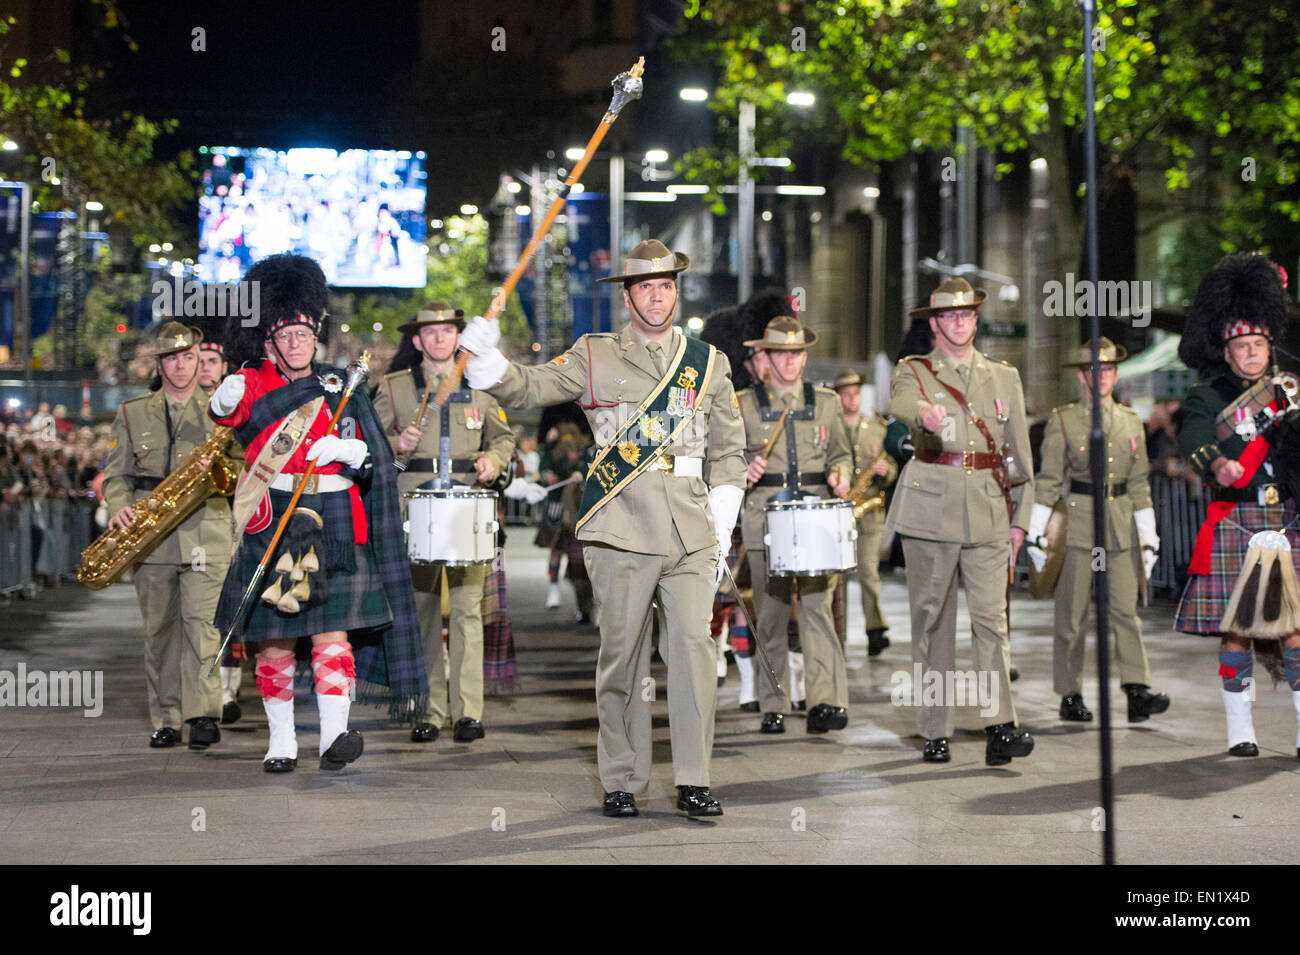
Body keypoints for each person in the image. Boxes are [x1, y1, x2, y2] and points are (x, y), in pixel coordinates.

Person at [461, 238, 747, 818]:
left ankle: (693, 776)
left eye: (666, 285)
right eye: (646, 286)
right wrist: (491, 365)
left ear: (676, 290)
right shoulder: (596, 355)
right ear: (628, 295)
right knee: (623, 655)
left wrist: (722, 522)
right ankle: (622, 778)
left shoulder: (708, 362)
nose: (657, 295)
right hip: (620, 527)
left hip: (693, 529)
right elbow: (532, 386)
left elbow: (731, 451)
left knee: (694, 648)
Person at [208, 253, 426, 772]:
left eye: (304, 334)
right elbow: (229, 415)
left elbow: (372, 452)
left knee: (334, 633)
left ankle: (333, 736)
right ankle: (281, 742)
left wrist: (355, 455)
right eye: (285, 335)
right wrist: (222, 399)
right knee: (274, 639)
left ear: (315, 336)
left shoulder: (340, 383)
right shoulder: (253, 381)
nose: (296, 343)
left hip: (335, 517)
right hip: (276, 515)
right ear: (268, 341)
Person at [886, 277, 1034, 765]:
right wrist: (923, 415)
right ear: (934, 323)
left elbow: (1021, 458)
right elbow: (899, 404)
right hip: (931, 507)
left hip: (990, 509)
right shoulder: (916, 371)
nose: (959, 323)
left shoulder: (1004, 376)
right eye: (949, 316)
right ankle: (935, 728)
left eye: (966, 315)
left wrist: (1021, 521)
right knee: (934, 621)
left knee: (992, 621)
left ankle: (1000, 726)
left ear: (975, 319)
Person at [1173, 253, 1300, 757]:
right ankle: (1239, 731)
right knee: (1236, 631)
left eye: (1258, 344)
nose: (1250, 353)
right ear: (1226, 353)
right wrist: (1216, 465)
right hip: (1237, 520)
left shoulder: (1288, 393)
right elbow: (1195, 438)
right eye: (1242, 346)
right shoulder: (1209, 396)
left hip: (1284, 518)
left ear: (1270, 346)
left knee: (1294, 629)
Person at [373, 302, 516, 744]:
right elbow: (369, 448)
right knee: (423, 614)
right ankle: (430, 711)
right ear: (416, 340)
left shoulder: (480, 382)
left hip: (467, 506)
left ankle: (468, 712)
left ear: (457, 336)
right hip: (415, 508)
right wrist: (398, 443)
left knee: (469, 612)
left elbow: (503, 437)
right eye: (429, 332)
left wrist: (493, 462)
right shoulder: (395, 389)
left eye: (447, 331)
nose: (439, 339)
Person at [1026, 338, 1170, 724]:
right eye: (1094, 369)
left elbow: (1139, 484)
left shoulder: (1130, 420)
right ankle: (1069, 692)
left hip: (1121, 520)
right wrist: (1036, 530)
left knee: (1126, 610)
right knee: (1071, 614)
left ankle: (1136, 689)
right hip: (1079, 521)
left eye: (1107, 369)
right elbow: (1048, 480)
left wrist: (1148, 535)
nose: (1101, 376)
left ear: (1115, 374)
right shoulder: (1063, 420)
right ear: (1081, 376)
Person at [102, 322, 229, 750]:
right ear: (160, 363)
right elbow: (116, 475)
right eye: (171, 357)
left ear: (199, 360)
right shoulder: (132, 412)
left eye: (188, 356)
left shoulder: (221, 412)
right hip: (150, 537)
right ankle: (167, 718)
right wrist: (118, 503)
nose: (180, 365)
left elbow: (243, 469)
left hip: (206, 533)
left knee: (202, 627)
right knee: (159, 632)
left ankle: (203, 714)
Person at [737, 316, 852, 735]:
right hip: (765, 518)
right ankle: (774, 701)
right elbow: (720, 461)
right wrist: (742, 466)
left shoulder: (826, 402)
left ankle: (826, 702)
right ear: (766, 356)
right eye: (780, 354)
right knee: (770, 614)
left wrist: (841, 473)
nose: (789, 362)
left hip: (816, 518)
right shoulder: (743, 404)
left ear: (804, 357)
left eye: (796, 354)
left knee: (819, 613)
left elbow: (842, 454)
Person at [832, 368, 897, 657]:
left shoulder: (876, 429)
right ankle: (838, 632)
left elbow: (892, 469)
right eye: (846, 394)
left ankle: (875, 628)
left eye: (856, 393)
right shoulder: (831, 428)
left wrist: (886, 472)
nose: (852, 399)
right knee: (839, 579)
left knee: (869, 573)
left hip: (869, 512)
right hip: (838, 513)